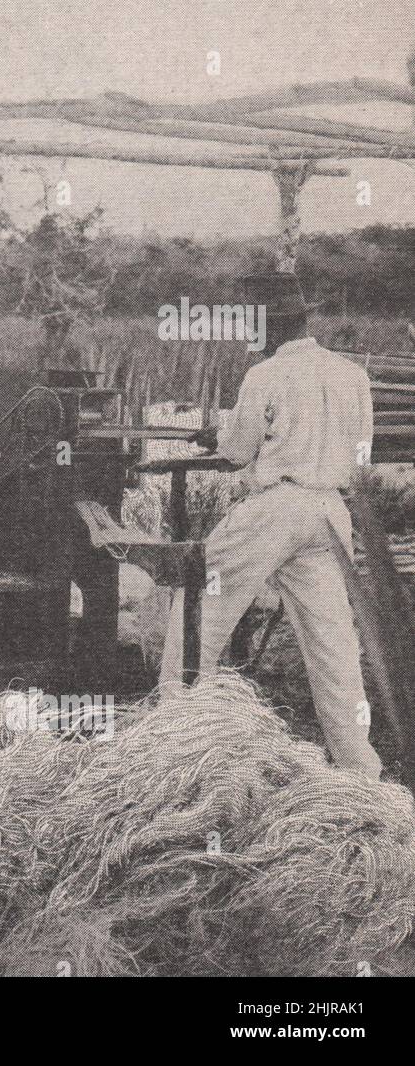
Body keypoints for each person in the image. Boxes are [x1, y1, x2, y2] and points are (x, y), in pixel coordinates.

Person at [159, 273, 382, 778]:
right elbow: (362, 455)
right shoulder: (353, 376)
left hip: (276, 508)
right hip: (329, 513)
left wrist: (217, 437)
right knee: (334, 646)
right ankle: (361, 772)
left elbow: (237, 453)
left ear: (270, 328)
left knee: (200, 602)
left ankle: (173, 737)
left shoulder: (266, 376)